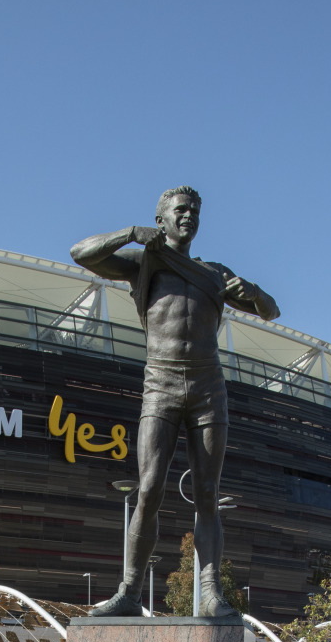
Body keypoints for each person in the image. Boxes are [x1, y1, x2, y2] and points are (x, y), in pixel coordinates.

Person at [73, 185, 279, 618]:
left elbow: (270, 310)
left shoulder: (214, 273)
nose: (189, 216)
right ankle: (130, 592)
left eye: (195, 211)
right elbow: (81, 253)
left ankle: (211, 592)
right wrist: (130, 233)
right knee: (148, 488)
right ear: (161, 219)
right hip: (161, 382)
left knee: (207, 492)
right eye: (181, 210)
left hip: (208, 386)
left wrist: (254, 290)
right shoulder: (145, 261)